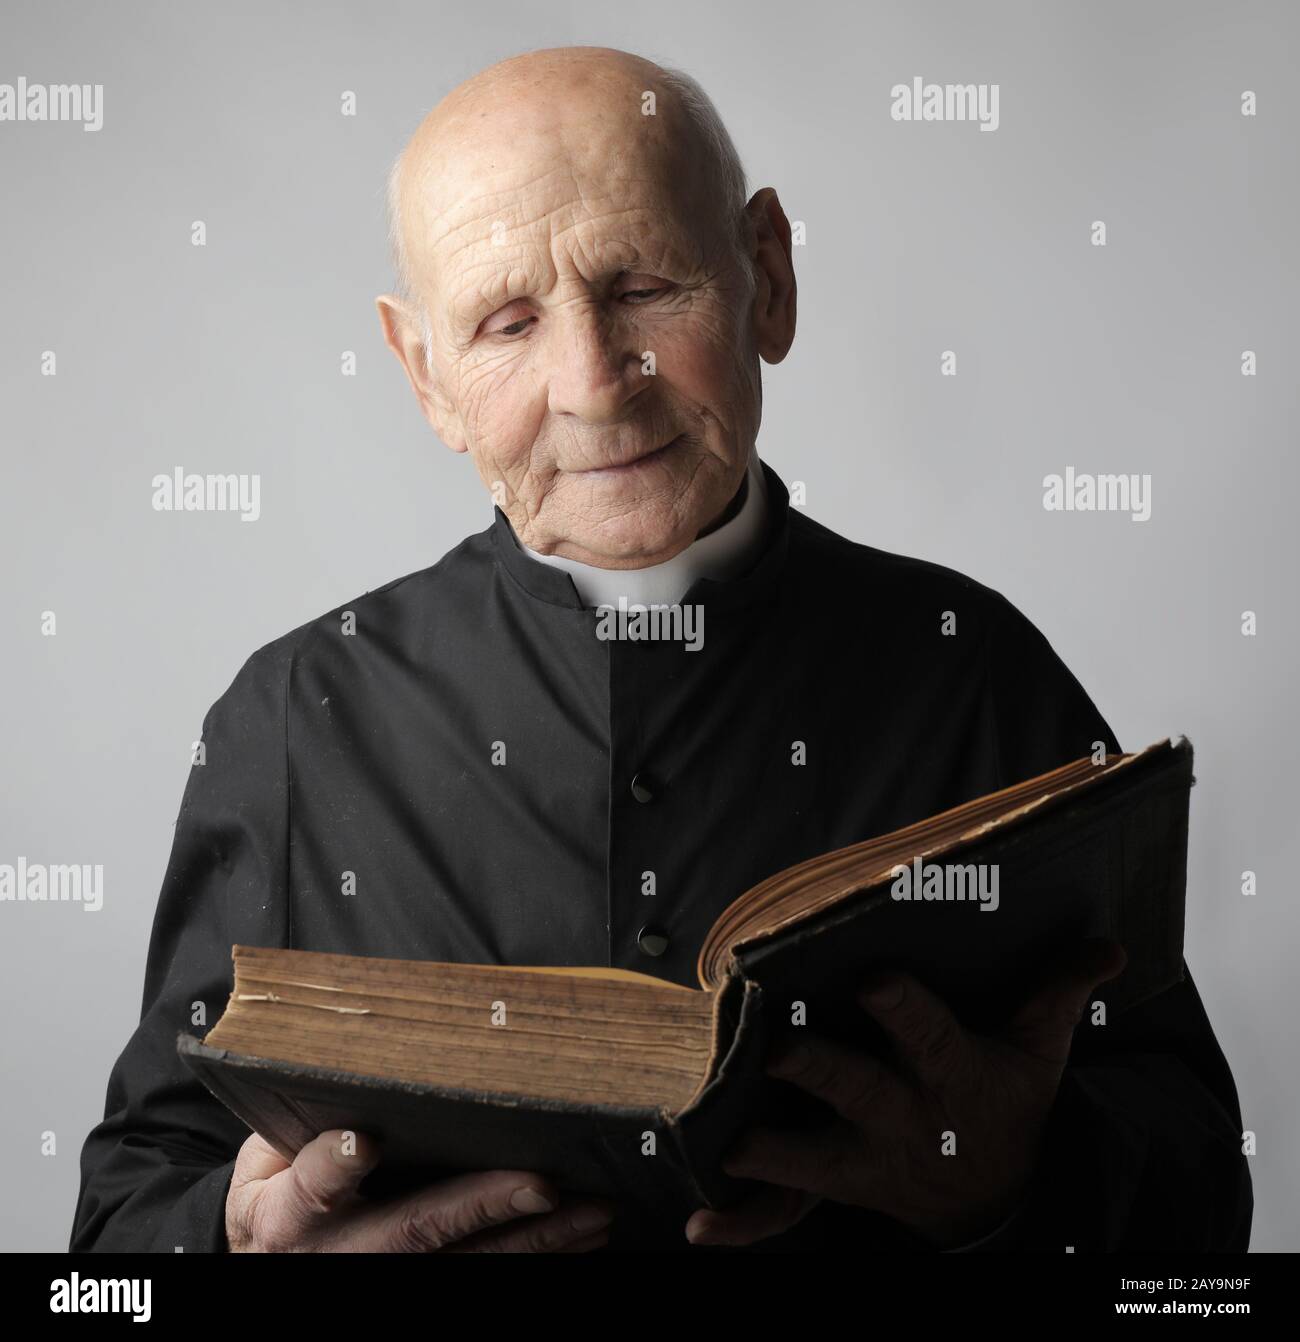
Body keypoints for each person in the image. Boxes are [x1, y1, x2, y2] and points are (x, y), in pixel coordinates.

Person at [70, 46, 1251, 1253]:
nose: (592, 385)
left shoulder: (977, 671)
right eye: (505, 322)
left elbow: (1202, 1207)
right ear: (426, 374)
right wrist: (236, 1242)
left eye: (640, 287)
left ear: (768, 278)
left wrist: (1007, 1193)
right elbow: (109, 1245)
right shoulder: (288, 721)